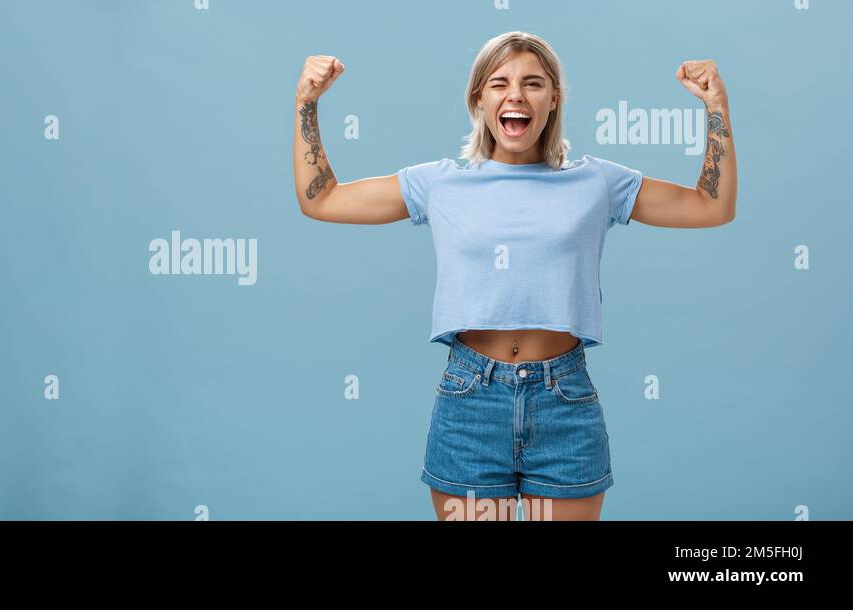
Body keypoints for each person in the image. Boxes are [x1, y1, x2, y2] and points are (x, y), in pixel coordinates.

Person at [291, 31, 735, 520]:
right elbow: (322, 199)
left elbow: (710, 206)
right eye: (499, 83)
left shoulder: (597, 182)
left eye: (533, 83)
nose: (516, 96)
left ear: (553, 99)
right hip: (470, 402)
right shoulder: (440, 183)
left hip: (564, 400)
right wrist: (306, 103)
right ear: (479, 99)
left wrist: (716, 107)